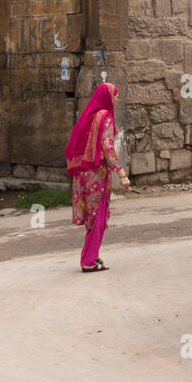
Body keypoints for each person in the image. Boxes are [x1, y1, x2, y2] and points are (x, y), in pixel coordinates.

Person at [65, 81, 130, 272]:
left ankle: (91, 255)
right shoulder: (106, 118)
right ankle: (88, 261)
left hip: (84, 173)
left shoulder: (90, 117)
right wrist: (122, 173)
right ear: (107, 97)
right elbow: (108, 148)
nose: (117, 100)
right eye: (115, 96)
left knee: (93, 217)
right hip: (97, 173)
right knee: (98, 217)